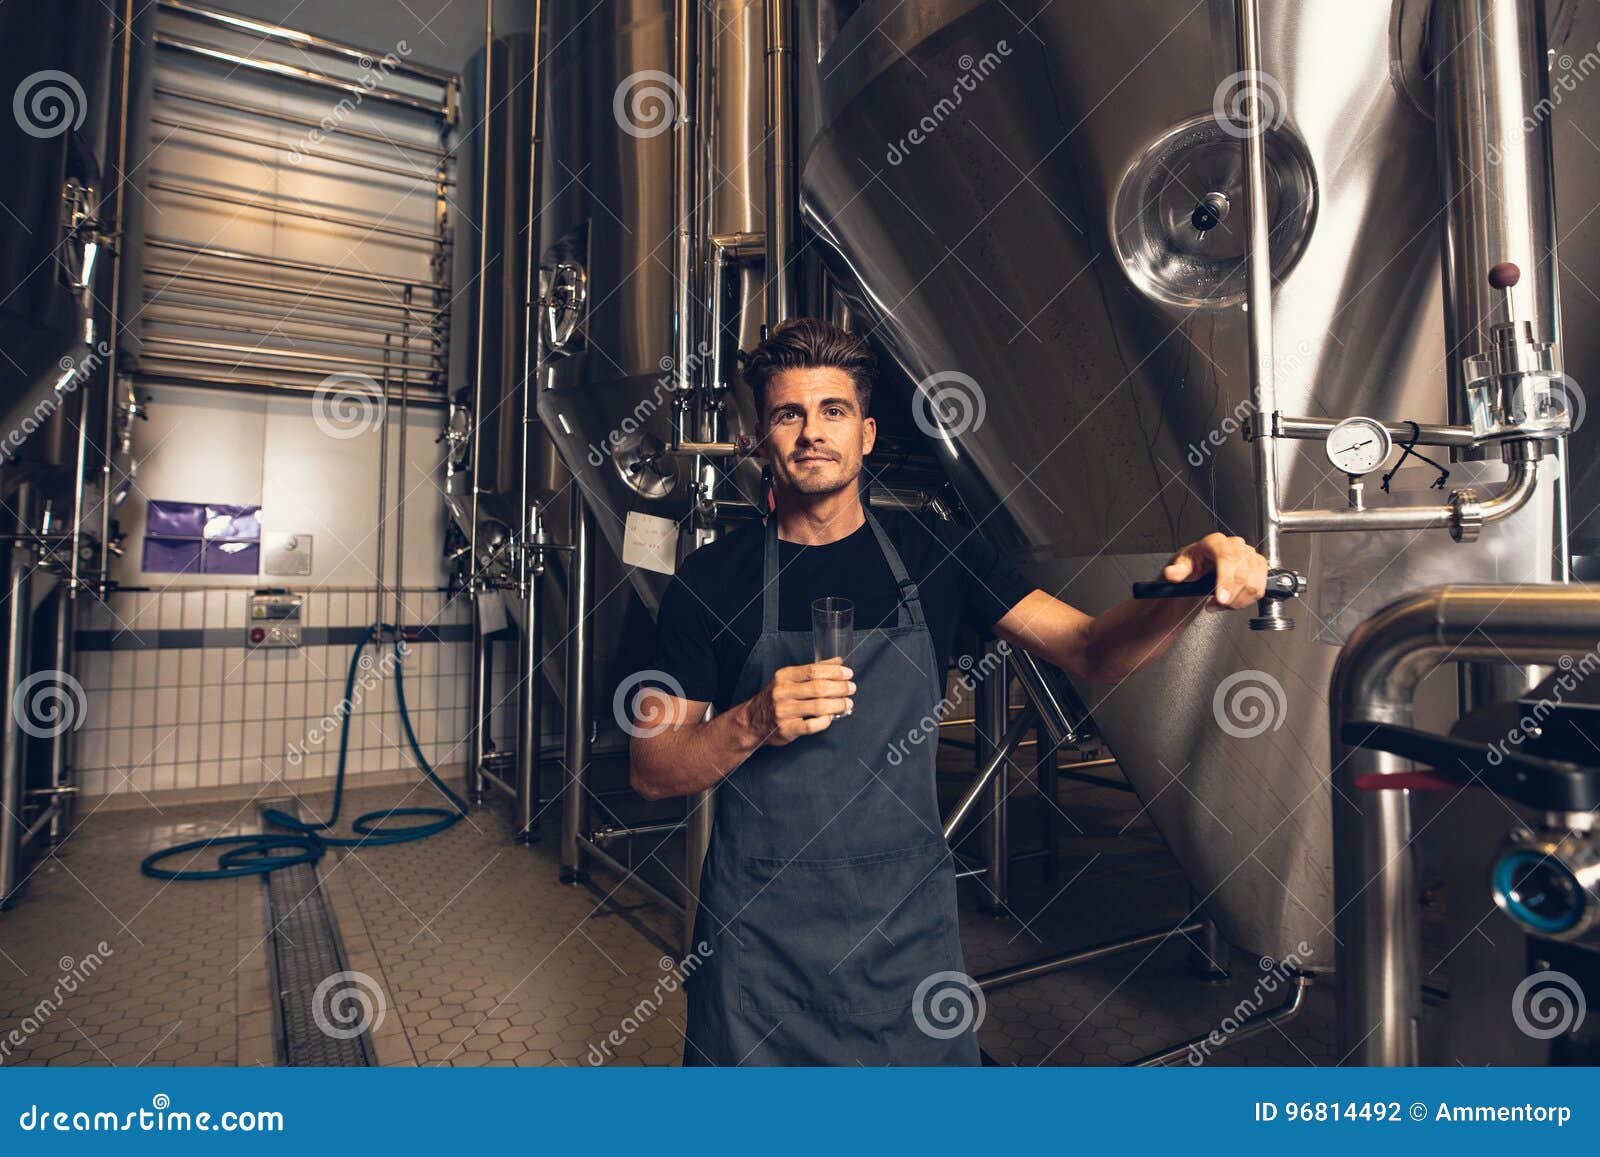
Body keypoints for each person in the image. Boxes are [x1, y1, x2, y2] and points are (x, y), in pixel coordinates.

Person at [628, 317, 1268, 1066]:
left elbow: (1093, 650)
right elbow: (651, 768)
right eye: (787, 413)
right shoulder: (710, 581)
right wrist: (752, 719)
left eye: (832, 410)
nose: (811, 432)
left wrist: (1183, 585)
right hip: (758, 945)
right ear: (760, 437)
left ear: (866, 433)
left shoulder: (939, 554)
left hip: (905, 935)